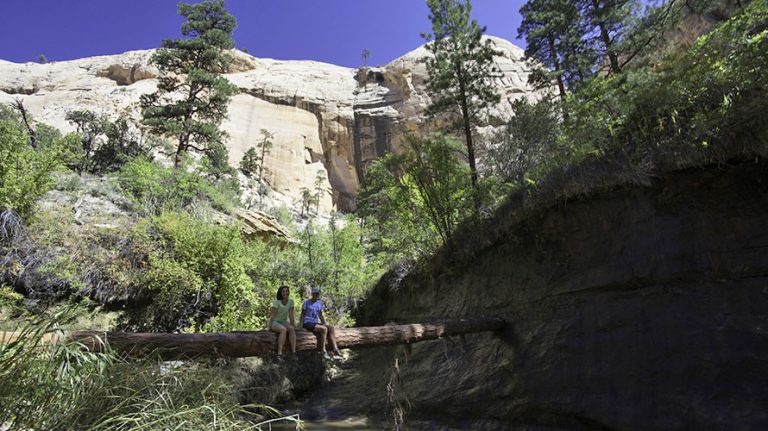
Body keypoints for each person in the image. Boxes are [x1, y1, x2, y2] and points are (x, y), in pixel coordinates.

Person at [299, 288, 342, 360]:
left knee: (330, 327)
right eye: (315, 293)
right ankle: (323, 351)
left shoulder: (319, 303)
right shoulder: (306, 302)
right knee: (323, 329)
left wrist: (325, 323)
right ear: (312, 294)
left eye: (317, 294)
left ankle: (335, 349)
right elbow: (302, 314)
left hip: (315, 322)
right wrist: (301, 325)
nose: (316, 295)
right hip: (307, 322)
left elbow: (320, 315)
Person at [268, 285, 297, 362]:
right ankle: (279, 354)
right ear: (280, 293)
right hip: (275, 322)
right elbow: (273, 315)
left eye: (287, 291)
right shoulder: (277, 302)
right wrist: (269, 326)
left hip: (283, 321)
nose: (285, 293)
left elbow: (291, 315)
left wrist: (293, 325)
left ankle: (294, 353)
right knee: (283, 330)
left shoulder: (291, 302)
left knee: (291, 329)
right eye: (283, 291)